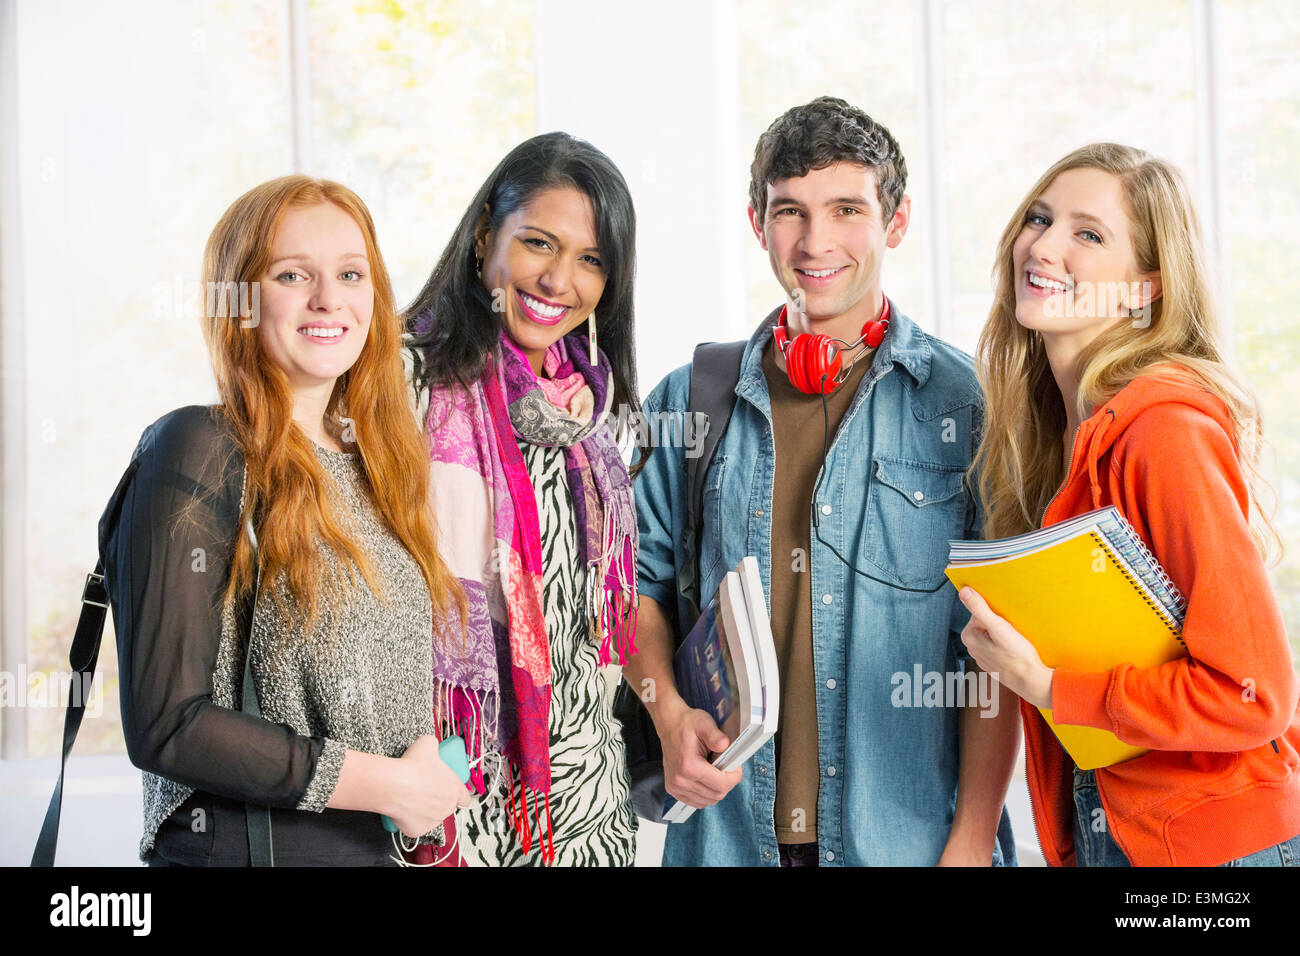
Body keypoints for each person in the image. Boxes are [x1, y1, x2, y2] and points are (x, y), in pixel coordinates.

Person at [627, 96, 1019, 866]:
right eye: (789, 212)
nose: (815, 241)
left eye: (847, 208)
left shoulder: (969, 405)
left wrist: (973, 838)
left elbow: (996, 649)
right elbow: (632, 586)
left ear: (895, 223)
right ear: (756, 223)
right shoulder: (686, 402)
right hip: (729, 842)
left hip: (913, 846)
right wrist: (668, 712)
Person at [107, 175, 471, 866]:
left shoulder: (381, 470)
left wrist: (418, 789)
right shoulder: (201, 447)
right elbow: (167, 724)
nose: (328, 298)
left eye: (350, 274)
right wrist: (388, 784)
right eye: (292, 274)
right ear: (241, 300)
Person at [958, 142, 1300, 867]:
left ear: (1144, 289)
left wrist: (1049, 685)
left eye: (1088, 234)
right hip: (1118, 838)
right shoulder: (1062, 438)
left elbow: (1254, 693)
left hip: (1215, 853)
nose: (1044, 247)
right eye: (1040, 219)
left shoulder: (1164, 432)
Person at [405, 132, 641, 866]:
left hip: (588, 810)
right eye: (539, 243)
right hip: (448, 800)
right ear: (484, 239)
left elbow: (599, 639)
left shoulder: (593, 416)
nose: (560, 280)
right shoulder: (401, 387)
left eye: (592, 259)